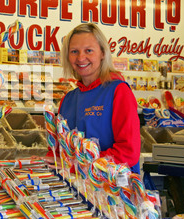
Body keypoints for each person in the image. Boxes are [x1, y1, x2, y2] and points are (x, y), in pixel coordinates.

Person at [45, 23, 141, 174]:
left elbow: (128, 152)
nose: (81, 58)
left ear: (102, 53)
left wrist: (79, 167)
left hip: (113, 190)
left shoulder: (118, 91)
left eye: (88, 50)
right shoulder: (68, 99)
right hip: (76, 190)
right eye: (74, 51)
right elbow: (60, 149)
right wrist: (50, 159)